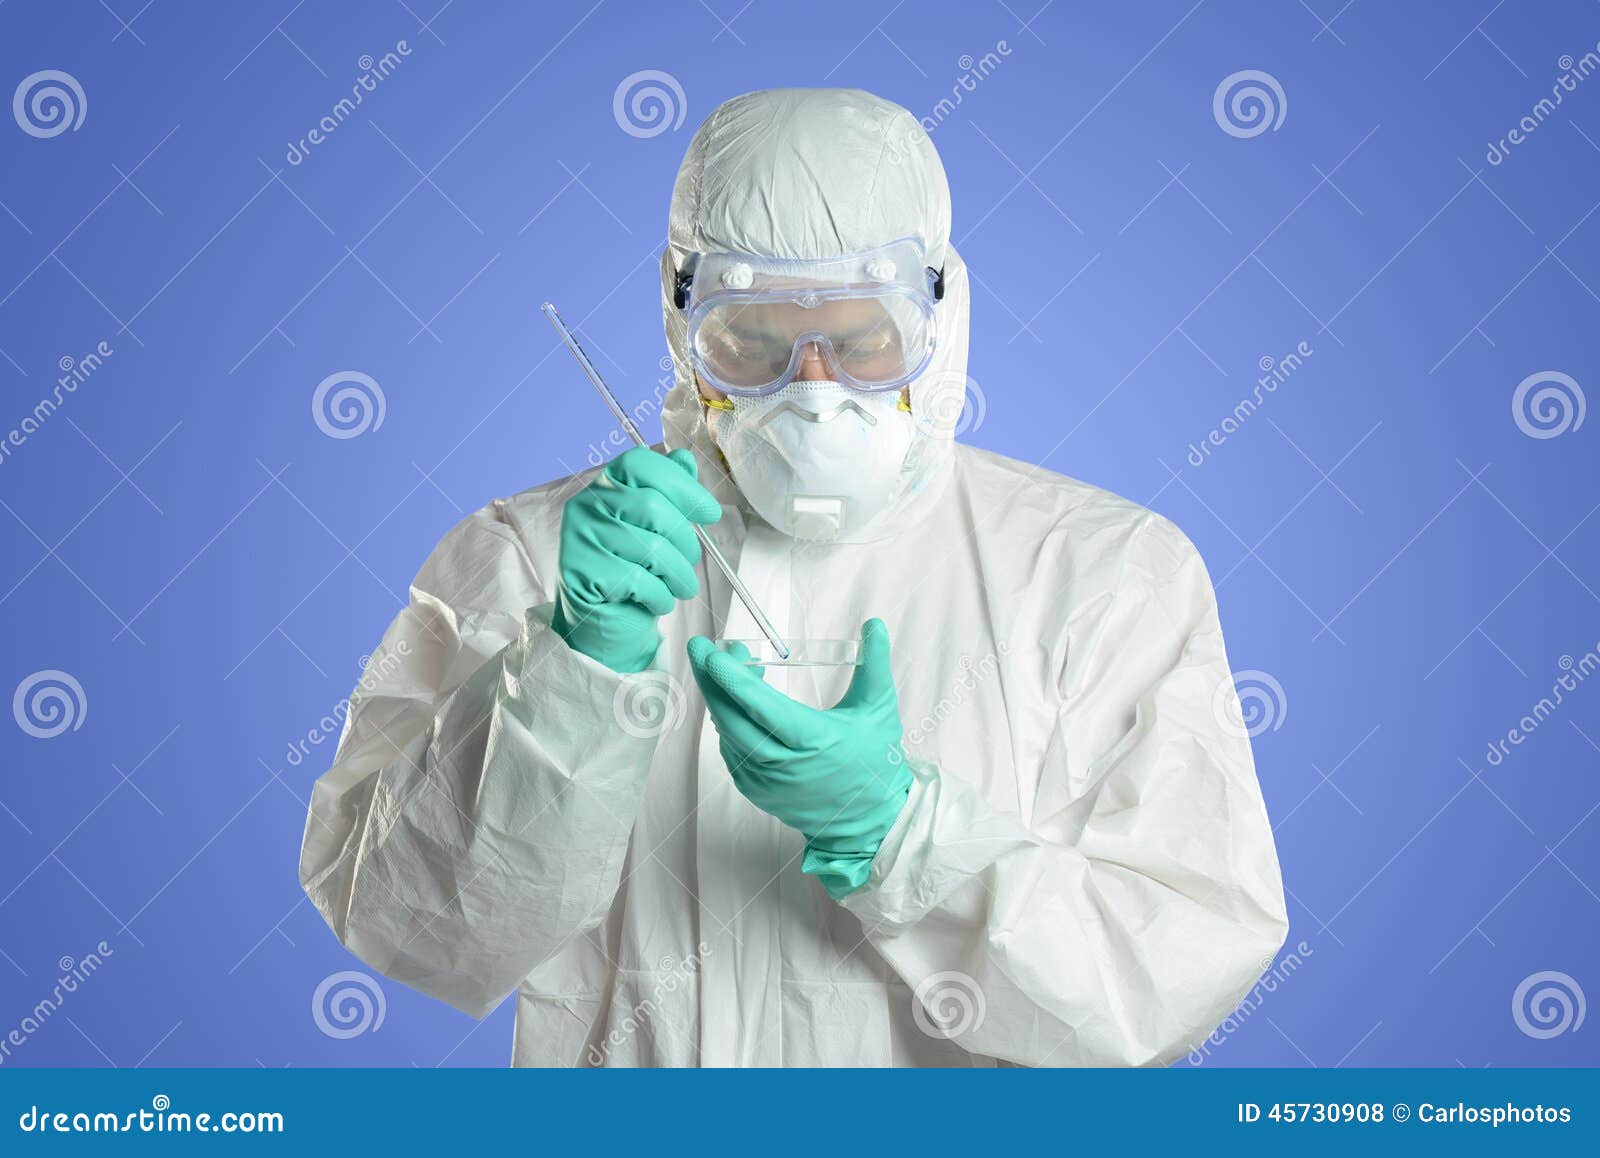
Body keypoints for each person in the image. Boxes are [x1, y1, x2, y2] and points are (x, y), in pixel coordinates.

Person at [298, 87, 1287, 1066]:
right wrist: (566, 678)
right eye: (754, 343)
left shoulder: (1097, 572)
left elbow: (1168, 985)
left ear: (941, 313)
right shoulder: (536, 556)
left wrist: (899, 832)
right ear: (682, 318)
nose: (812, 391)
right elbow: (406, 931)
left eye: (863, 343)